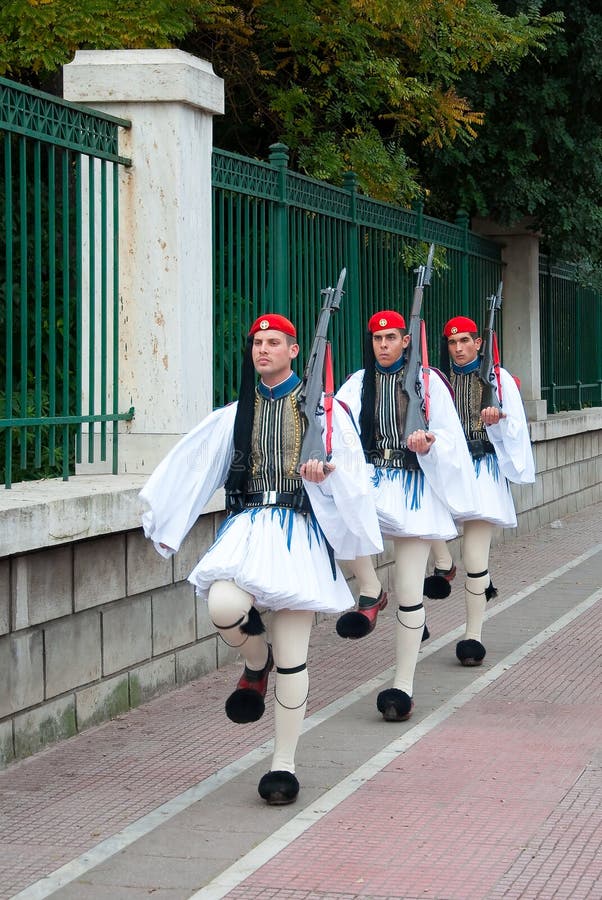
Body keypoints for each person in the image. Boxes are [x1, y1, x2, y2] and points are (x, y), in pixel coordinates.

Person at [139, 313, 382, 805]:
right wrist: (165, 524)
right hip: (249, 528)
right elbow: (195, 467)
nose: (263, 349)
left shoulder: (326, 412)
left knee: (295, 659)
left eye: (274, 342)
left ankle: (283, 764)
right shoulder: (237, 413)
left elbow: (356, 481)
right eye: (257, 342)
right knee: (223, 606)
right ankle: (256, 659)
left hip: (300, 534)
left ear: (296, 351)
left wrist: (326, 474)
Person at [335, 310, 478, 722]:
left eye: (391, 338)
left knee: (411, 588)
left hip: (413, 487)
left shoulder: (429, 382)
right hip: (373, 479)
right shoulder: (358, 382)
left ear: (406, 341)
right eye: (377, 338)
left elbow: (452, 436)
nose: (382, 345)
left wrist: (430, 440)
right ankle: (369, 588)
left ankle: (403, 684)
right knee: (338, 517)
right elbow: (333, 420)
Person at [432, 314, 535, 667]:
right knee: (420, 527)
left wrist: (499, 421)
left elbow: (518, 433)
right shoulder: (435, 383)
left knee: (475, 559)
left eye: (465, 342)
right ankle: (441, 570)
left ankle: (472, 635)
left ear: (479, 343)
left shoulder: (498, 379)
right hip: (446, 472)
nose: (458, 349)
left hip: (481, 472)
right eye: (452, 342)